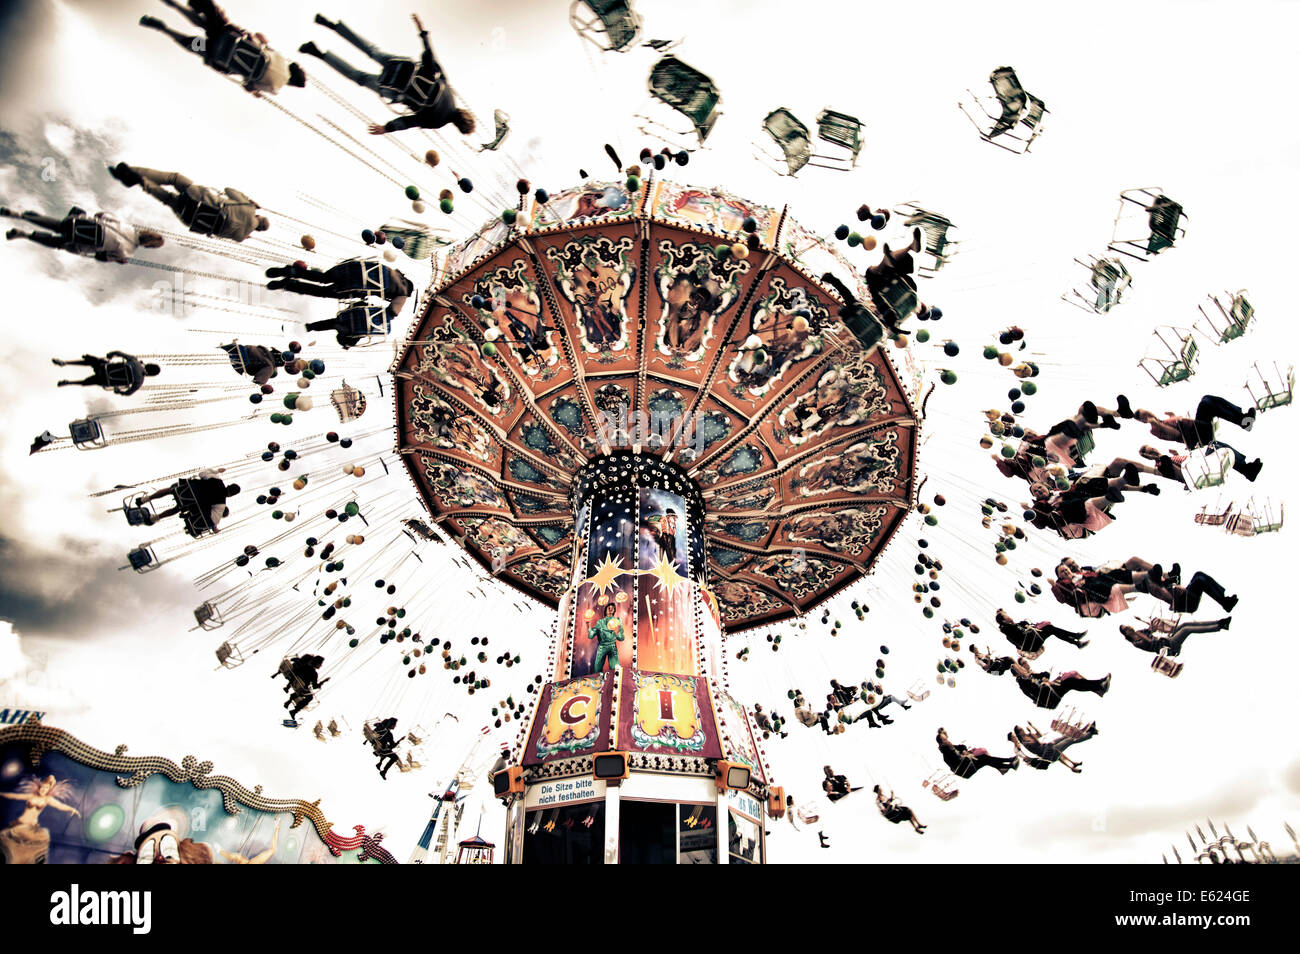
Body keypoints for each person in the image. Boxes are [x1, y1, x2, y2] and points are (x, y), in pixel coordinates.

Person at [299, 13, 475, 136]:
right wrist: (387, 128)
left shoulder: (449, 93)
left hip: (404, 66)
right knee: (359, 77)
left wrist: (423, 33)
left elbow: (431, 59)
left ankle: (333, 26)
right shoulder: (437, 121)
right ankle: (318, 52)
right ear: (457, 127)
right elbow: (409, 122)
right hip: (395, 88)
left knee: (372, 51)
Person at [139, 0, 306, 95]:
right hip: (218, 55)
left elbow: (260, 38)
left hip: (228, 36)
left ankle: (176, 5)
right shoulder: (274, 88)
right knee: (193, 44)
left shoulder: (282, 60)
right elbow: (249, 86)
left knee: (205, 23)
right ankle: (164, 29)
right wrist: (254, 91)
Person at [108, 163, 269, 241]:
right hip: (190, 218)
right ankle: (140, 181)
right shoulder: (240, 237)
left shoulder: (248, 209)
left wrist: (249, 201)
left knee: (174, 178)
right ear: (258, 230)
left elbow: (229, 190)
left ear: (259, 217)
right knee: (167, 199)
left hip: (199, 199)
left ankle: (133, 172)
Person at [3, 206, 163, 262]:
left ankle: (20, 215)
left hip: (77, 222)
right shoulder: (128, 253)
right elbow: (102, 258)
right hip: (79, 243)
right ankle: (25, 235)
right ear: (148, 246)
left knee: (58, 224)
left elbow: (101, 215)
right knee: (58, 243)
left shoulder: (127, 225)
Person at [266, 259, 412, 314]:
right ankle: (290, 285)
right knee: (323, 291)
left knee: (323, 278)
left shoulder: (392, 271)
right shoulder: (403, 293)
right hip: (355, 286)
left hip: (352, 268)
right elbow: (393, 310)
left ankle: (292, 271)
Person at [1130, 394, 1257, 450]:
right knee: (1206, 403)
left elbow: (1182, 423)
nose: (1148, 414)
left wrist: (1173, 417)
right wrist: (1159, 424)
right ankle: (1242, 421)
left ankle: (1242, 419)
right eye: (1144, 415)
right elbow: (1177, 435)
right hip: (1196, 435)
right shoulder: (1155, 429)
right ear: (1143, 421)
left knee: (1207, 399)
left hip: (1197, 428)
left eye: (1146, 411)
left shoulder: (1162, 420)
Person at [135, 468, 239, 532]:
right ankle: (154, 518)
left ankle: (144, 499)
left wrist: (216, 471)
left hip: (183, 490)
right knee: (177, 509)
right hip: (187, 502)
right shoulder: (221, 504)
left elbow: (202, 473)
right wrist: (215, 527)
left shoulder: (217, 480)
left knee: (170, 490)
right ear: (231, 495)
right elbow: (214, 519)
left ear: (228, 486)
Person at [1138, 442, 1262, 484]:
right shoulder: (1161, 464)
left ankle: (1247, 469)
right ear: (1149, 457)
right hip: (1198, 468)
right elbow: (1179, 474)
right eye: (1152, 453)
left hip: (1198, 463)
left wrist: (1176, 455)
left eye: (1153, 449)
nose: (1155, 451)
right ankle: (1246, 469)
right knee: (1215, 444)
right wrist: (1160, 457)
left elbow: (1179, 465)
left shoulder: (1168, 459)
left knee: (1218, 445)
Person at [1008, 658, 1110, 709]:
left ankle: (1098, 688)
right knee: (1070, 681)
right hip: (1048, 697)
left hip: (1048, 691)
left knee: (1071, 677)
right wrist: (1042, 682)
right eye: (1024, 664)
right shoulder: (1023, 681)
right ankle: (1099, 685)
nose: (1027, 664)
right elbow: (1033, 690)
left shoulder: (1030, 676)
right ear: (1019, 669)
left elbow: (1045, 674)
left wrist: (1043, 679)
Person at [305, 300, 401, 349]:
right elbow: (366, 334)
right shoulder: (385, 329)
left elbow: (358, 305)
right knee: (344, 335)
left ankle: (311, 326)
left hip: (347, 319)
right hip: (352, 331)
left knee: (334, 322)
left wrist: (351, 307)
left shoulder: (376, 308)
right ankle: (313, 327)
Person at [1119, 616, 1231, 658]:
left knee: (1185, 624)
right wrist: (1137, 634)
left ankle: (1219, 622)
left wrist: (1152, 623)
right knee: (1188, 630)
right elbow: (1149, 642)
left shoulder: (1139, 631)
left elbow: (1151, 631)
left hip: (1167, 640)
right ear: (1126, 634)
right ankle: (1219, 626)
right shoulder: (1136, 642)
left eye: (1127, 626)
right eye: (1126, 629)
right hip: (1168, 647)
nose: (1129, 627)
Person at [51, 352, 160, 395]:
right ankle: (69, 383)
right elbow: (128, 393)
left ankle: (65, 362)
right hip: (104, 380)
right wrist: (118, 391)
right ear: (150, 375)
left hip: (103, 368)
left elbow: (118, 352)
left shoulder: (135, 361)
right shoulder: (139, 382)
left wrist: (110, 355)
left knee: (92, 361)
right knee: (88, 382)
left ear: (149, 364)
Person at [936, 727, 1019, 778]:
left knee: (985, 759)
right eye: (945, 740)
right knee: (984, 756)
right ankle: (1009, 761)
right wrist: (966, 756)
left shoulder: (951, 747)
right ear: (942, 743)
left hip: (967, 765)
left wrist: (964, 752)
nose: (947, 741)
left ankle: (1010, 764)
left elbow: (961, 746)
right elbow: (956, 763)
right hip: (966, 769)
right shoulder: (947, 753)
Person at [994, 609, 1087, 653]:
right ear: (1004, 620)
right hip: (1030, 643)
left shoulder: (1017, 624)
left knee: (1051, 629)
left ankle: (1076, 642)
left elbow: (1023, 624)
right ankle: (1076, 637)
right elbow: (1014, 634)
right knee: (1050, 628)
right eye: (1006, 615)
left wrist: (1025, 625)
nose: (1008, 615)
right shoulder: (1007, 629)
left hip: (1033, 639)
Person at [586, 603, 624, 672]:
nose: (610, 609)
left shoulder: (617, 621)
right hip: (602, 647)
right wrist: (588, 624)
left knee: (616, 670)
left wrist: (617, 631)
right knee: (597, 669)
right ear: (605, 610)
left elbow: (621, 638)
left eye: (612, 608)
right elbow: (591, 635)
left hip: (612, 647)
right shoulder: (600, 623)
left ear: (614, 610)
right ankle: (598, 681)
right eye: (608, 607)